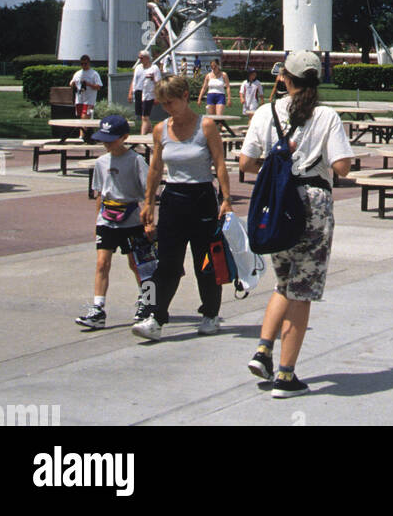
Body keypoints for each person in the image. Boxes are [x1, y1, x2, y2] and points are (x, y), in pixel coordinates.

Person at [239, 50, 352, 397]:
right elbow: (343, 167)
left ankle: (263, 348)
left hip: (278, 204)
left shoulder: (265, 112)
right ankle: (285, 377)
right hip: (313, 205)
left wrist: (279, 171)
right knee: (302, 292)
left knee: (283, 282)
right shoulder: (326, 116)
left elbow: (245, 162)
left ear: (285, 78)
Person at [133, 74, 233, 342]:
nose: (167, 108)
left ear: (186, 96)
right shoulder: (160, 129)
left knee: (206, 261)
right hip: (173, 197)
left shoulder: (207, 126)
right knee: (166, 263)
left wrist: (226, 198)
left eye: (171, 102)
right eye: (163, 104)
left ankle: (210, 313)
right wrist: (149, 203)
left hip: (201, 197)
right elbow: (155, 168)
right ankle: (155, 316)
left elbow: (220, 164)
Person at [75, 114, 149, 330]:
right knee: (101, 263)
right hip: (107, 220)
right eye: (104, 139)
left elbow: (148, 192)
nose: (107, 144)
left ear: (124, 137)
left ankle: (148, 302)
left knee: (140, 265)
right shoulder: (101, 162)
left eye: (111, 139)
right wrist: (98, 218)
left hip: (132, 220)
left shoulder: (136, 161)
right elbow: (99, 193)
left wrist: (148, 220)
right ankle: (98, 309)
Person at [129, 51, 161, 134]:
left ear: (147, 58)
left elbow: (159, 83)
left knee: (145, 117)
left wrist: (157, 96)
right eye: (139, 58)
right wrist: (130, 92)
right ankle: (152, 133)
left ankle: (141, 136)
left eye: (141, 58)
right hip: (138, 92)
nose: (140, 60)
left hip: (148, 94)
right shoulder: (138, 67)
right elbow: (134, 80)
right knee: (143, 116)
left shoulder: (154, 68)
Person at [70, 55, 103, 120]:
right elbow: (72, 83)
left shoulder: (94, 74)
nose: (84, 65)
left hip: (89, 100)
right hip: (79, 100)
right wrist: (72, 84)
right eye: (82, 64)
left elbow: (99, 87)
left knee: (84, 119)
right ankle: (87, 130)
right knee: (80, 119)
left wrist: (89, 84)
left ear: (89, 63)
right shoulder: (77, 73)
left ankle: (83, 130)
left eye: (85, 63)